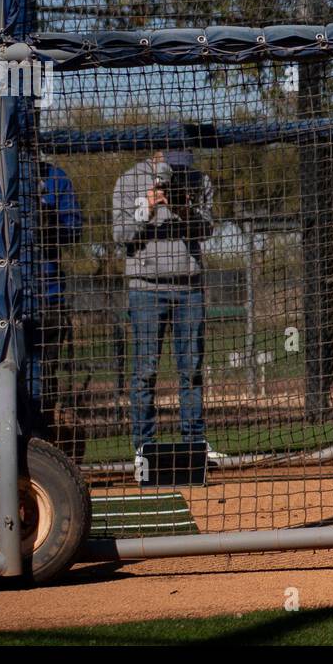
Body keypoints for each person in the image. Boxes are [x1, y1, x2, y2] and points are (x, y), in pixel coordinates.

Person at [0, 158, 82, 440]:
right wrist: (3, 216)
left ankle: (38, 449)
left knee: (40, 384)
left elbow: (74, 229)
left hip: (44, 296)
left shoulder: (52, 176)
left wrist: (45, 217)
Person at [112, 149, 214, 455]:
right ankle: (143, 448)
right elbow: (120, 235)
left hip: (189, 287)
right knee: (145, 372)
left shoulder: (199, 180)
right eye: (173, 165)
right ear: (158, 154)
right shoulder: (129, 180)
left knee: (192, 370)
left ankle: (195, 445)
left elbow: (208, 229)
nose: (180, 171)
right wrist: (147, 211)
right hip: (145, 288)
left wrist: (186, 212)